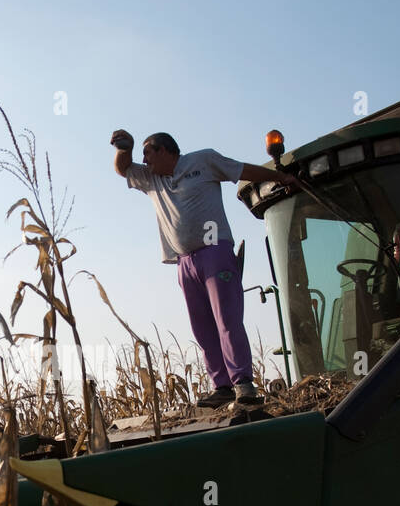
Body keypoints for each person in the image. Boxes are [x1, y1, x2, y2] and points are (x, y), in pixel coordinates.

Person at [111, 129, 298, 408]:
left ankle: (243, 383)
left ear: (165, 150)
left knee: (227, 319)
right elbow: (122, 169)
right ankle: (221, 386)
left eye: (147, 153)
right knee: (202, 328)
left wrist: (280, 177)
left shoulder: (204, 161)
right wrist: (124, 148)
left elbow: (242, 169)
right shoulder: (151, 179)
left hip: (215, 251)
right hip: (184, 261)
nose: (144, 160)